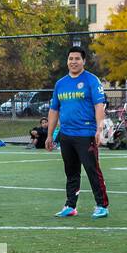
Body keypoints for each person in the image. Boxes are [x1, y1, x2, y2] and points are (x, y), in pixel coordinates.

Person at [47, 46, 110, 218]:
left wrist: (99, 129)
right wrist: (50, 135)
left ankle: (102, 205)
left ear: (84, 61)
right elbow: (54, 110)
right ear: (67, 61)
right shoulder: (60, 84)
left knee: (92, 169)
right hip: (66, 135)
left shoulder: (92, 80)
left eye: (77, 59)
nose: (73, 62)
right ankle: (70, 205)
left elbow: (99, 106)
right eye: (70, 59)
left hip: (86, 133)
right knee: (71, 171)